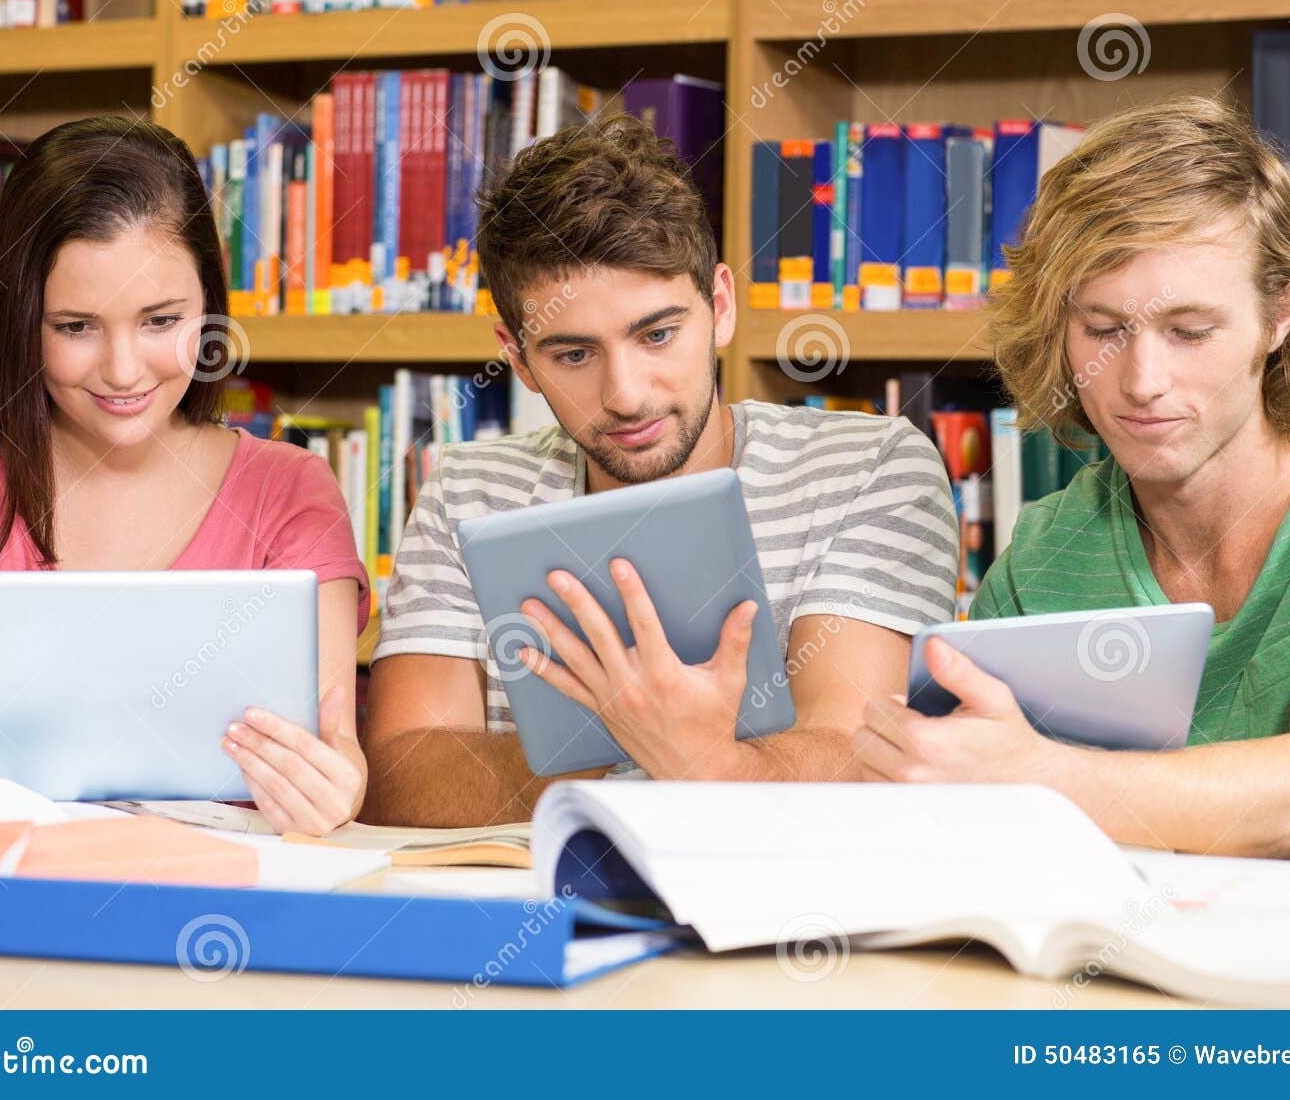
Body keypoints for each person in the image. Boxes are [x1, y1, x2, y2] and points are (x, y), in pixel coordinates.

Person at [855, 96, 1290, 883]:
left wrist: (1041, 775)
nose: (1141, 382)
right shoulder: (1045, 552)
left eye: (1189, 331)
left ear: (1282, 311)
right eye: (1103, 329)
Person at [363, 115, 959, 827]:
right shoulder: (466, 489)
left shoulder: (871, 468)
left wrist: (697, 759)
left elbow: (861, 765)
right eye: (573, 354)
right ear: (516, 357)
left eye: (658, 334)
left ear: (722, 306)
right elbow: (401, 777)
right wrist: (645, 734)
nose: (626, 394)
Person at [0, 117, 369, 836]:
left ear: (209, 309)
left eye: (161, 320)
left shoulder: (291, 493)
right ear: (20, 320)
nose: (125, 370)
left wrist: (334, 788)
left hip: (227, 900)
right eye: (75, 327)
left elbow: (334, 744)